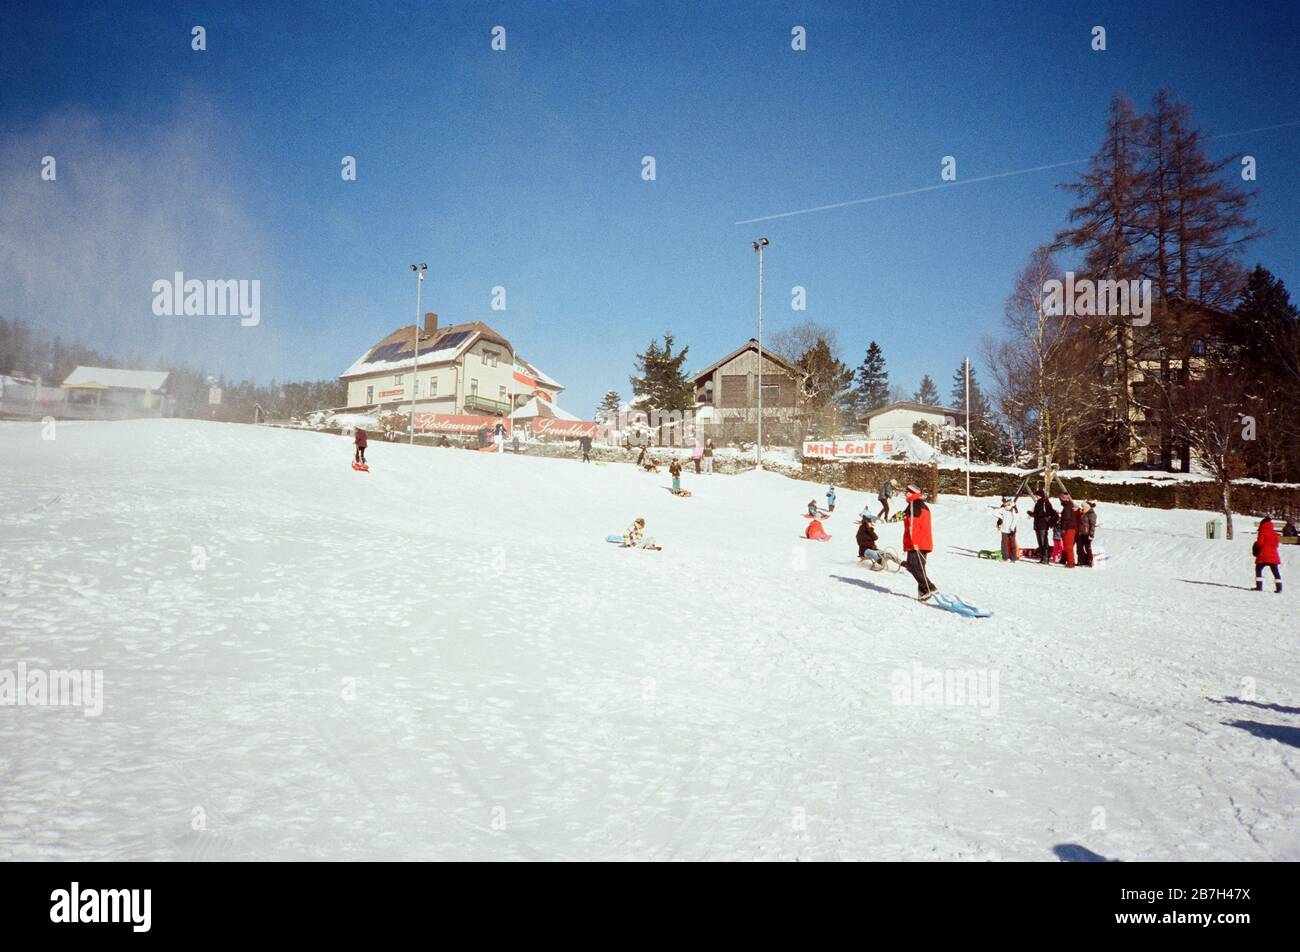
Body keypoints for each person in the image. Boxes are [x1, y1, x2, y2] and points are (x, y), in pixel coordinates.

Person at [902, 484, 938, 600]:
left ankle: (930, 588)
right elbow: (905, 516)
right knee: (918, 567)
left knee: (913, 567)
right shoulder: (919, 504)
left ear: (913, 493)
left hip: (917, 543)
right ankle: (923, 593)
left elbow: (914, 525)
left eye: (907, 492)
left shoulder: (914, 504)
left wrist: (914, 542)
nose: (905, 494)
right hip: (923, 542)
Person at [1253, 516, 1282, 593]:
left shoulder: (1262, 531)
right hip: (1273, 555)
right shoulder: (1274, 532)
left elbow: (1260, 543)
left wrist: (1255, 545)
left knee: (1258, 569)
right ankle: (1279, 588)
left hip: (1263, 554)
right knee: (1275, 572)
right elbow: (1276, 544)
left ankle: (1259, 586)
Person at [1030, 489, 1056, 564]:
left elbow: (1044, 513)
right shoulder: (1038, 502)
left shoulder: (1044, 502)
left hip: (1043, 525)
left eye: (1037, 495)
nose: (1036, 497)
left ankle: (1045, 557)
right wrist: (1033, 514)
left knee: (1043, 541)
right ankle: (1043, 557)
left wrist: (1033, 514)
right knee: (1040, 542)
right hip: (1038, 524)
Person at [995, 497, 1019, 562]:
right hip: (1004, 529)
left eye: (1005, 502)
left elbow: (1016, 518)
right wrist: (1002, 517)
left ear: (1008, 501)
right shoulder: (1003, 508)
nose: (1004, 503)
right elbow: (994, 512)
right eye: (1003, 502)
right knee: (1004, 544)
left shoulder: (1013, 508)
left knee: (1012, 543)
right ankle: (1005, 558)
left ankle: (1014, 558)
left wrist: (1012, 527)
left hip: (1011, 529)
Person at [1058, 493, 1078, 568]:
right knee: (1067, 546)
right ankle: (1070, 561)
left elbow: (1066, 519)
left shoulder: (1067, 507)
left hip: (1068, 528)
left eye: (1060, 499)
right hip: (1070, 528)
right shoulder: (1069, 506)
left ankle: (1071, 562)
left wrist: (1063, 528)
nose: (1060, 501)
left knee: (1068, 546)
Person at [1076, 502, 1096, 567]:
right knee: (1079, 548)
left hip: (1087, 534)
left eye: (1083, 507)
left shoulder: (1091, 514)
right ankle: (1081, 561)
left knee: (1087, 547)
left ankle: (1089, 561)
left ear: (1087, 507)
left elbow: (1092, 525)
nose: (1082, 508)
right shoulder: (1083, 513)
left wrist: (1091, 534)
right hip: (1081, 533)